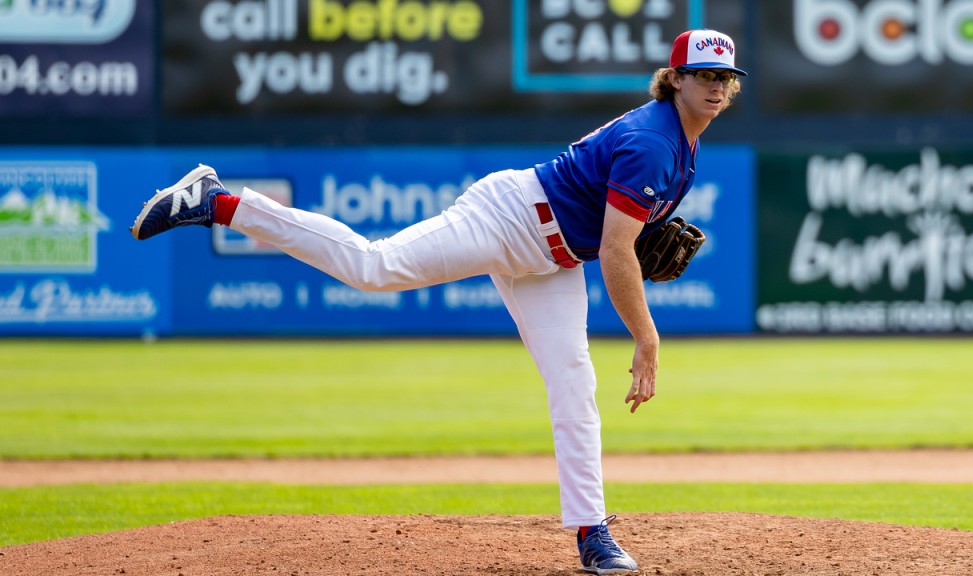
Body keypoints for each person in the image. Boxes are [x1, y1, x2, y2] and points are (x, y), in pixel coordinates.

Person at [131, 28, 746, 575]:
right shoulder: (655, 141)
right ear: (676, 80)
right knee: (374, 266)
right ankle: (217, 202)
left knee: (573, 383)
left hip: (553, 260)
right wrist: (647, 336)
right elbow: (617, 253)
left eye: (725, 77)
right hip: (508, 217)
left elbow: (613, 240)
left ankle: (592, 534)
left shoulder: (682, 142)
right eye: (703, 76)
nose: (716, 87)